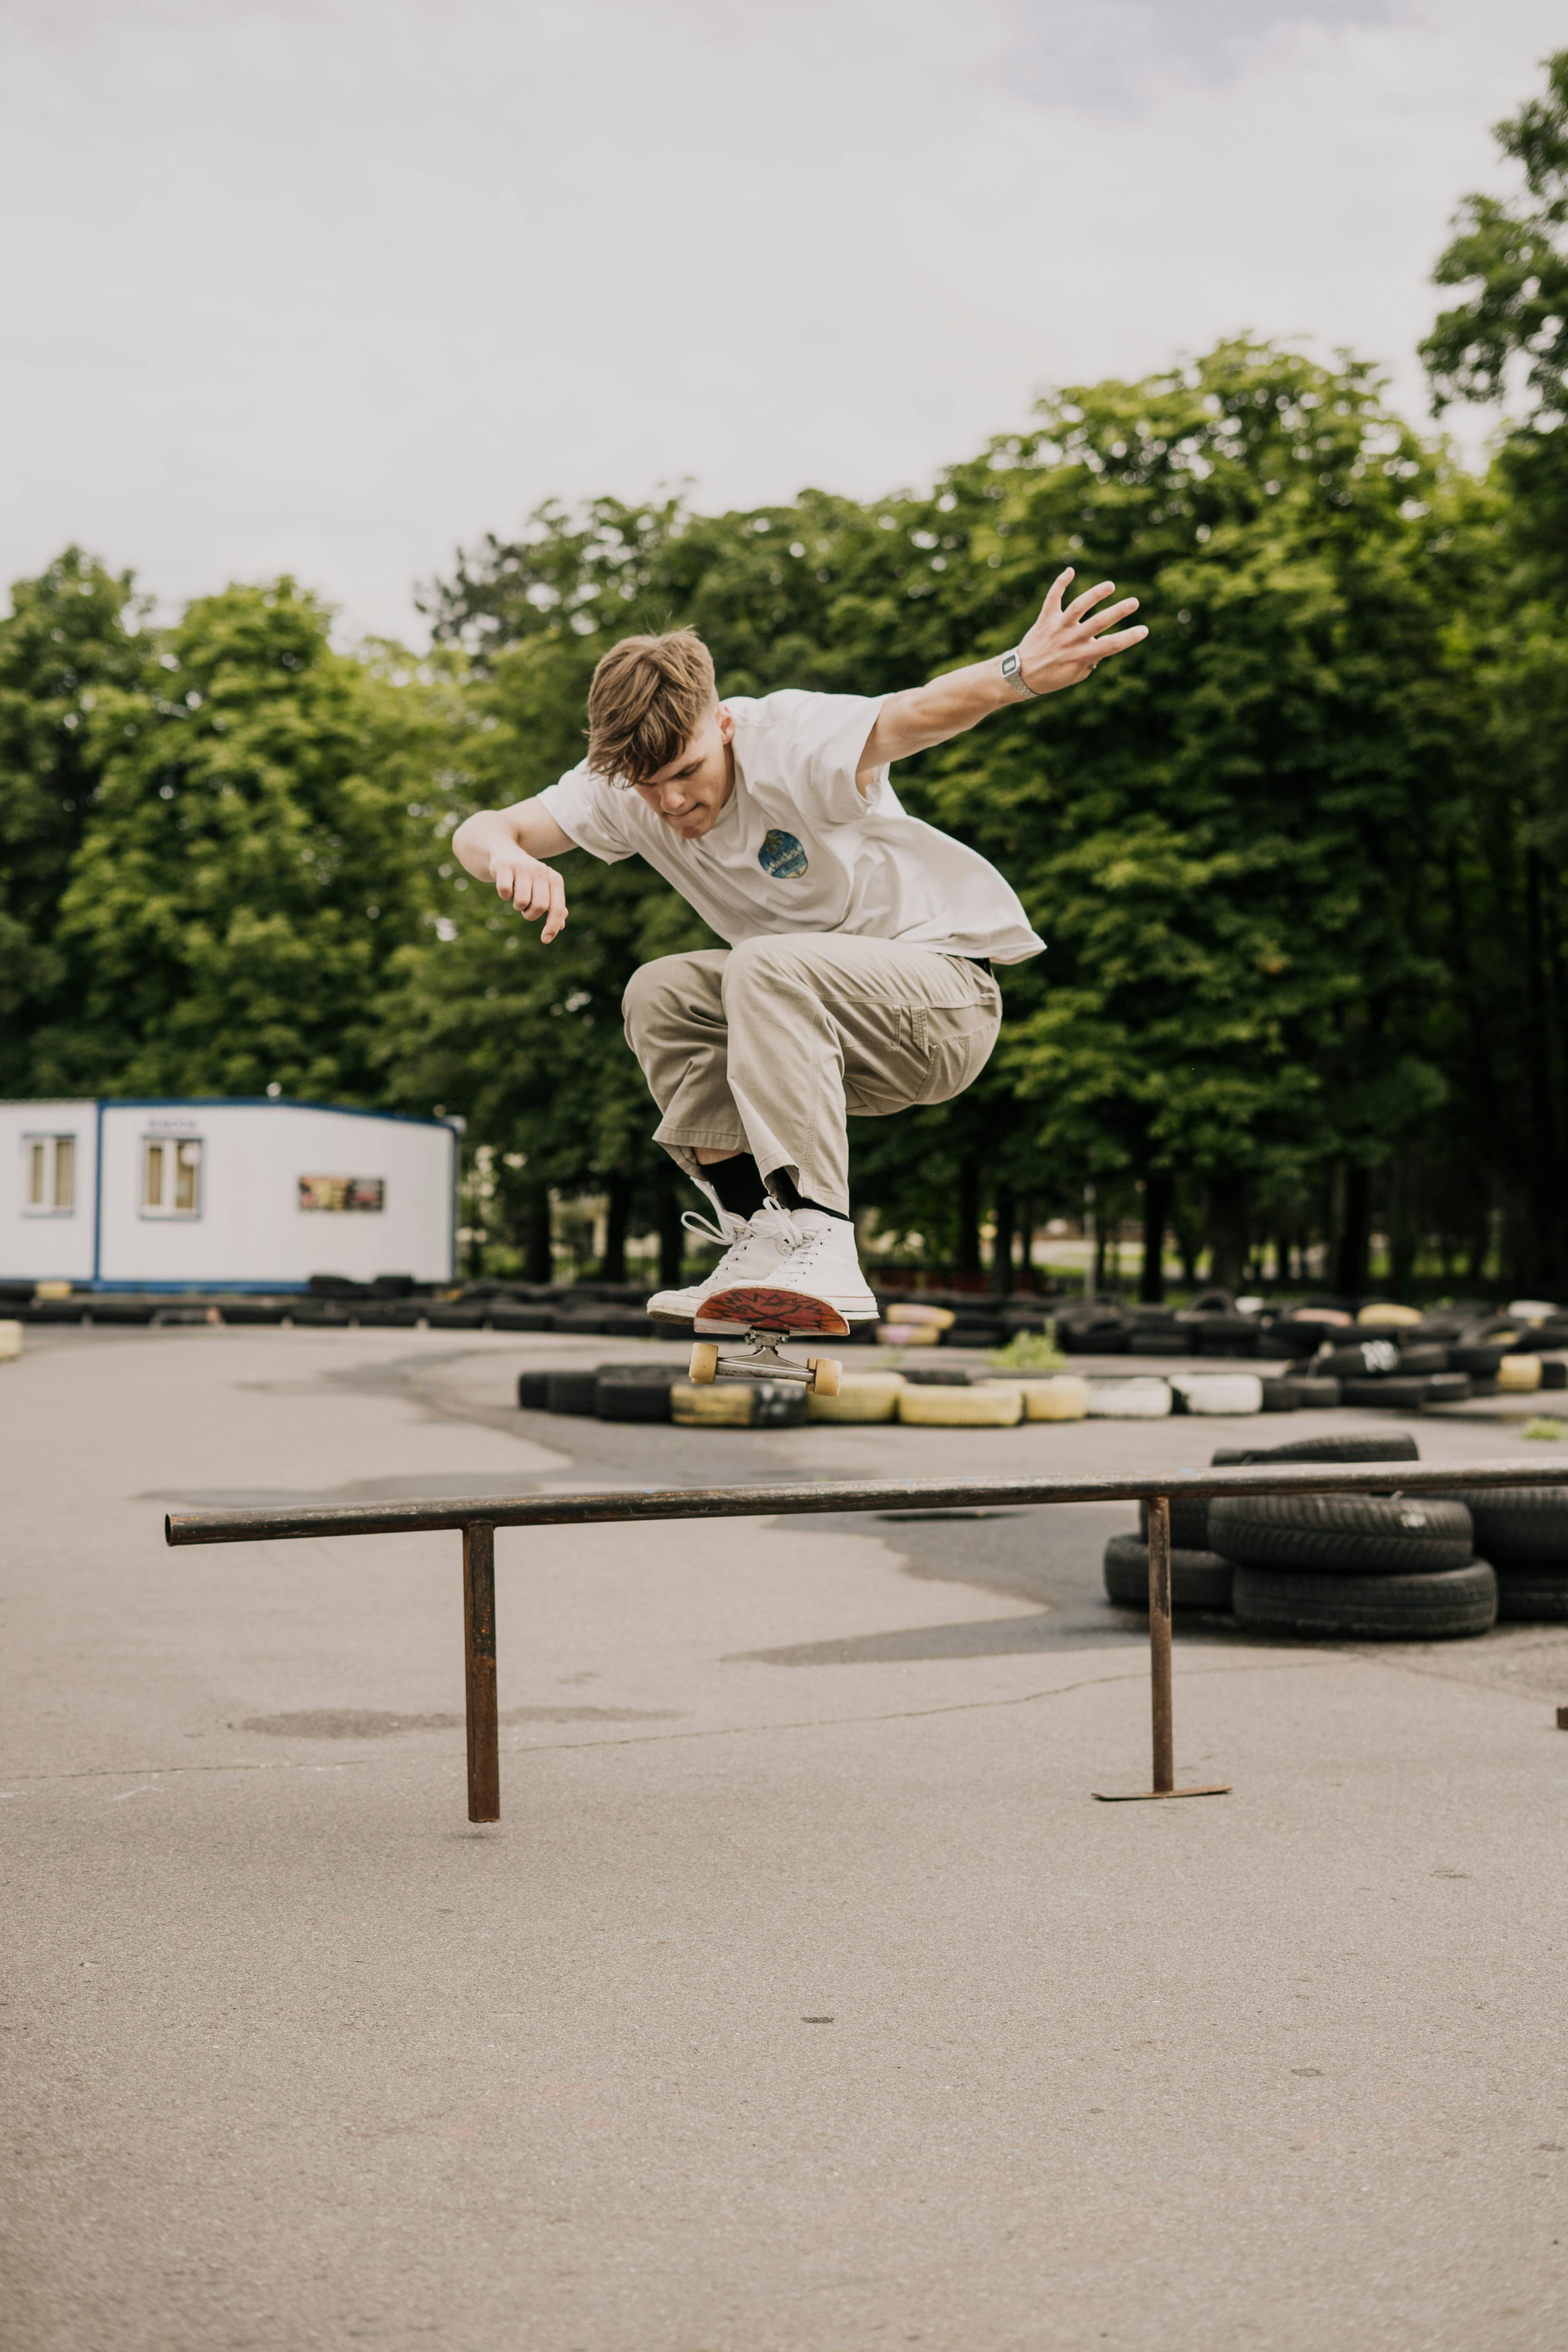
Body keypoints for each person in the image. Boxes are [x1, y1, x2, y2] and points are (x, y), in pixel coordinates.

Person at [452, 570, 1147, 1333]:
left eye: (686, 774)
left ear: (719, 725)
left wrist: (1016, 673)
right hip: (812, 1034)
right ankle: (760, 1234)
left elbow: (910, 715)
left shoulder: (786, 740)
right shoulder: (619, 786)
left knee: (763, 962)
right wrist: (508, 858)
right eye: (649, 788)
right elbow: (481, 828)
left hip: (942, 1005)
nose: (672, 803)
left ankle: (825, 1241)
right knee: (661, 990)